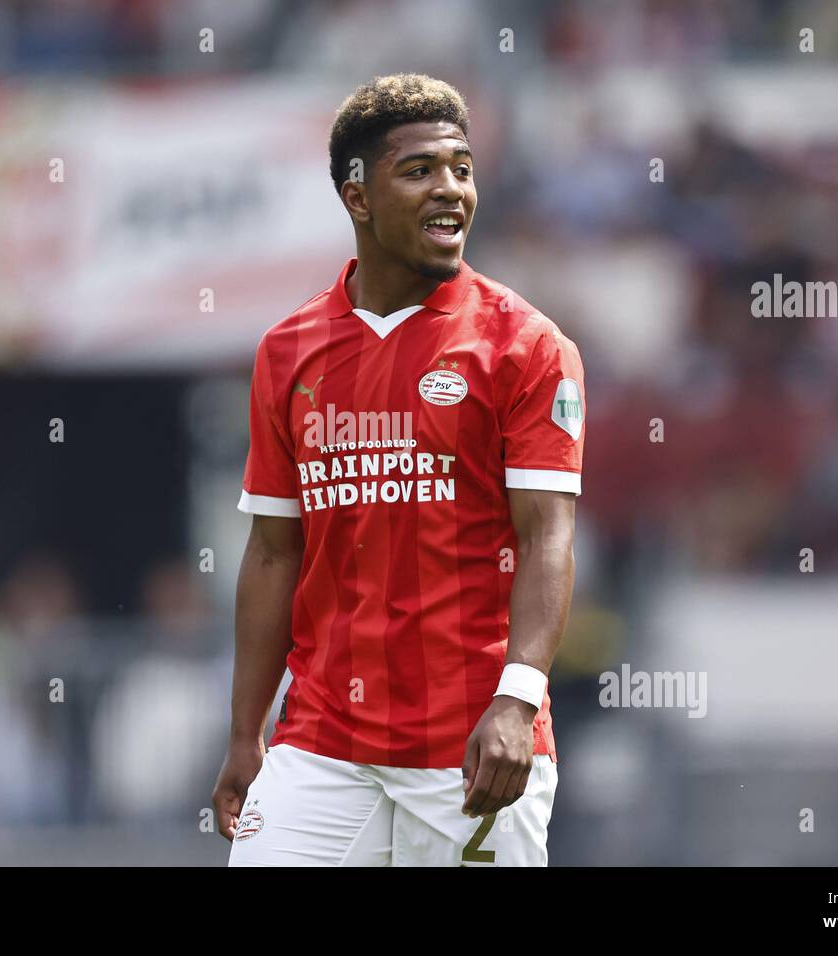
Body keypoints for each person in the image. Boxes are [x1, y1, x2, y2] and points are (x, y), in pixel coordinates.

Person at [212, 74, 585, 866]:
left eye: (462, 167)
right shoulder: (288, 352)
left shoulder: (527, 346)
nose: (451, 189)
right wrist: (246, 734)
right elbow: (275, 550)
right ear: (357, 198)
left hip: (474, 743)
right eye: (420, 171)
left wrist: (518, 701)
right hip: (320, 744)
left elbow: (547, 536)